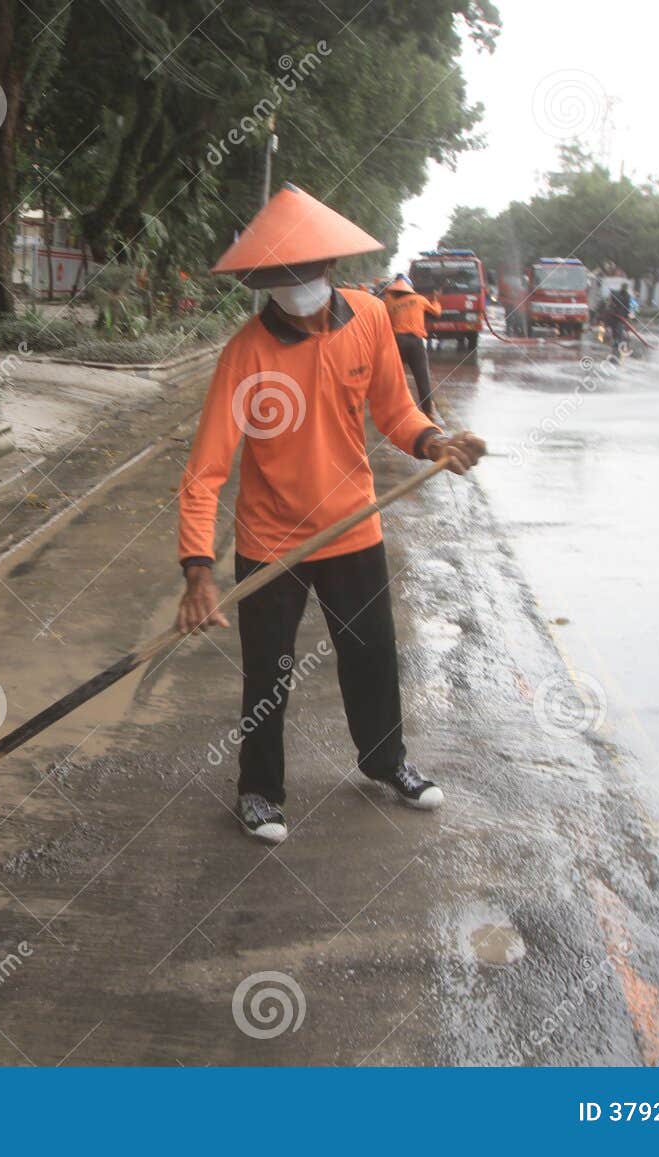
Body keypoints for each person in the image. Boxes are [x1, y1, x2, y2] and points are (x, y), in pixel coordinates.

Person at [176, 183, 486, 844]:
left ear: (330, 267)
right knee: (269, 671)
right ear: (264, 284)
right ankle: (259, 791)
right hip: (271, 540)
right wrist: (197, 569)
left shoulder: (372, 319)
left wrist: (436, 442)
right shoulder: (245, 355)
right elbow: (206, 470)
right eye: (281, 277)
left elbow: (396, 412)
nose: (298, 286)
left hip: (353, 526)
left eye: (306, 271)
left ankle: (386, 761)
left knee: (372, 654)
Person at [381, 274, 440, 416]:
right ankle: (428, 412)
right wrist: (436, 300)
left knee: (394, 376)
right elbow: (436, 313)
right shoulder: (419, 299)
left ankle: (392, 409)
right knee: (422, 377)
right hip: (415, 341)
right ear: (410, 288)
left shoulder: (390, 303)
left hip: (397, 341)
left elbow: (385, 319)